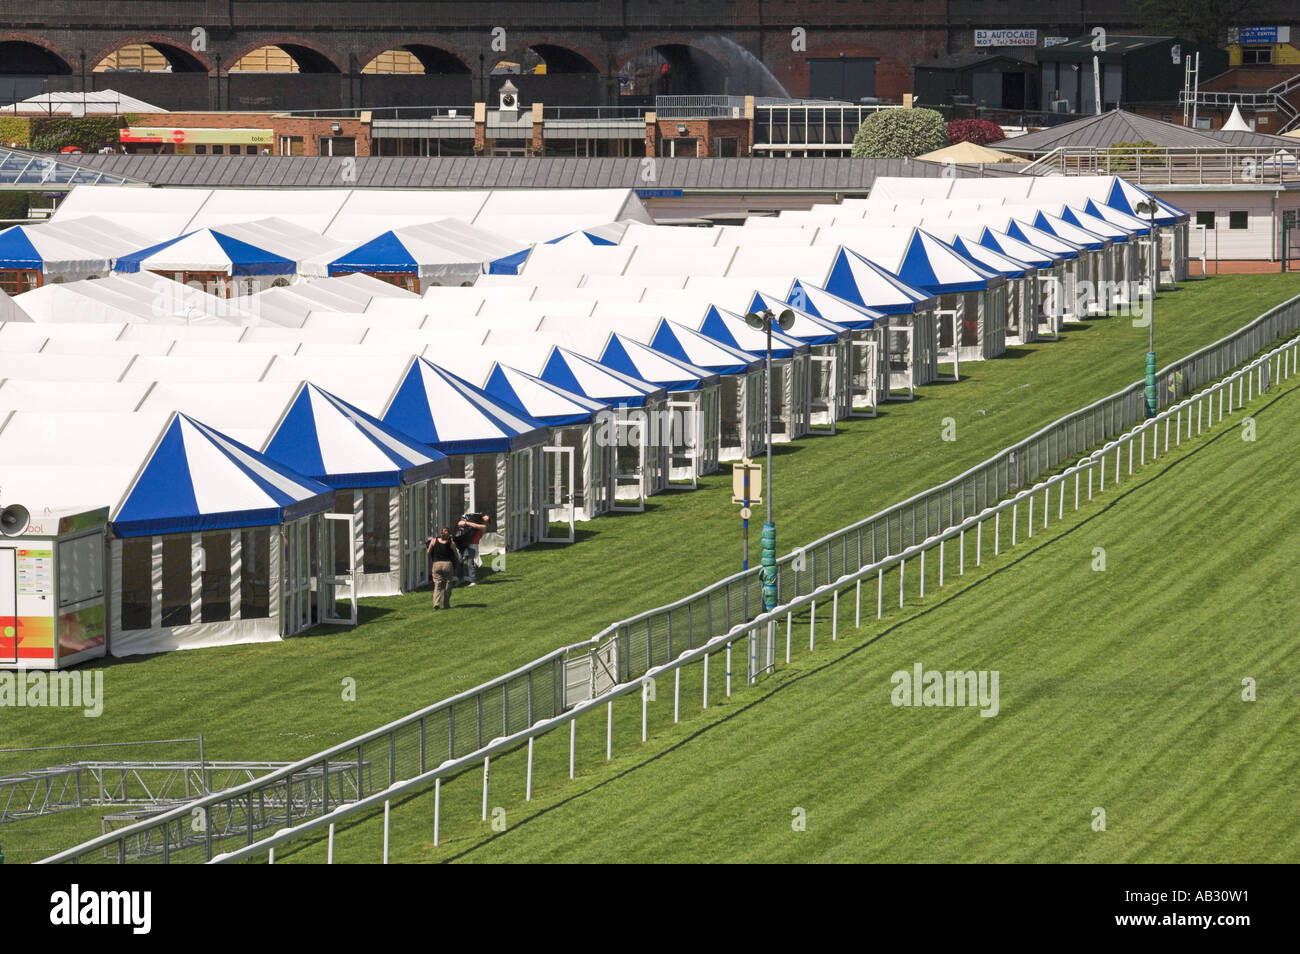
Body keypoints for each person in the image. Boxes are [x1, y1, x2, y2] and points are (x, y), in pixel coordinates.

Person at [426, 528, 460, 610]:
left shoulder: (434, 541)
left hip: (436, 564)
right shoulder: (451, 543)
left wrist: (432, 559)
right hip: (447, 564)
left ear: (440, 533)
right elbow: (456, 556)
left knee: (437, 584)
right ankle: (446, 604)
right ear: (448, 535)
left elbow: (428, 552)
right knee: (448, 583)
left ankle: (436, 603)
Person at [455, 511, 491, 585]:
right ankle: (460, 579)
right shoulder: (473, 521)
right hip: (463, 543)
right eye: (484, 518)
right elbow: (459, 523)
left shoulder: (484, 527)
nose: (484, 520)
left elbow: (476, 526)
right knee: (460, 561)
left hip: (473, 545)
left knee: (470, 563)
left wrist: (465, 523)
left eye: (486, 520)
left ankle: (473, 580)